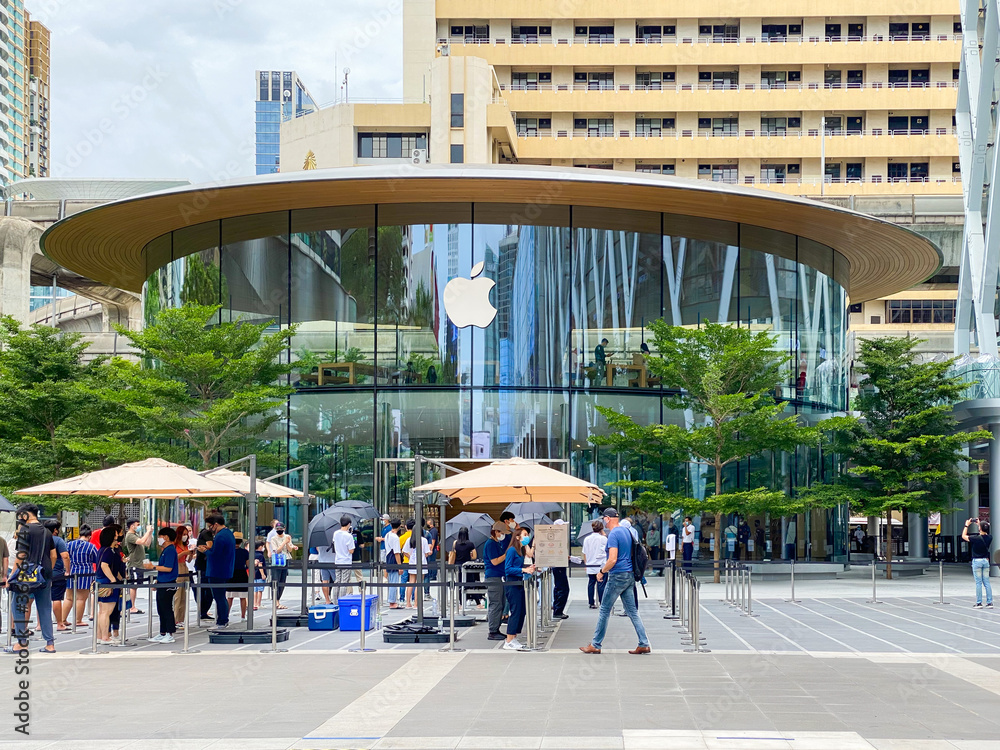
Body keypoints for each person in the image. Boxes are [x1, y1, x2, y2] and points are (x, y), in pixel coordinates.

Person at [580, 508, 651, 655]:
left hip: (617, 575)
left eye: (604, 519)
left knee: (604, 609)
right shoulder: (626, 531)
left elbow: (612, 559)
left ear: (607, 518)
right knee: (632, 611)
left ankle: (596, 644)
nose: (603, 522)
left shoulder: (613, 535)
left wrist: (601, 572)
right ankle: (643, 643)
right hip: (629, 574)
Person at [6, 504, 57, 654]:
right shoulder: (47, 532)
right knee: (45, 607)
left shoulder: (25, 530)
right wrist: (47, 570)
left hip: (26, 574)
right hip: (44, 574)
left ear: (26, 515)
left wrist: (11, 575)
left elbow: (21, 556)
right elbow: (53, 555)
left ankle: (22, 643)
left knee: (17, 605)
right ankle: (50, 643)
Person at [199, 514, 235, 629]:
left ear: (215, 524)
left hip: (217, 570)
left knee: (219, 597)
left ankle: (222, 621)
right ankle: (222, 620)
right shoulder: (229, 533)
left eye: (210, 526)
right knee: (221, 596)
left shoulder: (220, 536)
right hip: (225, 569)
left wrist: (204, 551)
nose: (210, 529)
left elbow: (215, 555)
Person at [503, 525, 536, 651]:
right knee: (516, 610)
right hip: (512, 583)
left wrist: (528, 569)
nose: (527, 537)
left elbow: (518, 566)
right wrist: (523, 569)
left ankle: (514, 636)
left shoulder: (520, 551)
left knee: (522, 610)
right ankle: (509, 639)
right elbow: (508, 569)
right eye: (525, 535)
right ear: (517, 537)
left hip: (519, 582)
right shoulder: (511, 550)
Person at [94, 525, 125, 646]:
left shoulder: (103, 549)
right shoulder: (108, 551)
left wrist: (120, 578)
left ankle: (99, 636)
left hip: (101, 581)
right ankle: (105, 637)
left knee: (102, 611)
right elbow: (104, 565)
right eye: (116, 534)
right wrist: (113, 580)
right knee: (106, 611)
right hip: (107, 583)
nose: (118, 536)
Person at [42, 520, 71, 632]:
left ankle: (40, 625)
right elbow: (65, 556)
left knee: (41, 599)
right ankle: (60, 623)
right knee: (56, 598)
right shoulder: (58, 540)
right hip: (57, 573)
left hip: (41, 572)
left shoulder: (40, 539)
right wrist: (67, 570)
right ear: (55, 530)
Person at [151, 527, 178, 643]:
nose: (159, 539)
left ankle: (169, 632)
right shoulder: (165, 550)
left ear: (166, 537)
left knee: (166, 608)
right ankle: (162, 632)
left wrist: (152, 567)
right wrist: (158, 580)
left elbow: (168, 568)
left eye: (160, 536)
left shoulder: (170, 550)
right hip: (162, 582)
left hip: (168, 583)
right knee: (161, 608)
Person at [483, 522, 510, 640]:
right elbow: (494, 561)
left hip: (498, 576)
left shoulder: (496, 543)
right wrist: (505, 555)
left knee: (501, 603)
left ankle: (496, 628)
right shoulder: (490, 544)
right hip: (493, 577)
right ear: (496, 532)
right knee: (496, 603)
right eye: (501, 532)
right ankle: (493, 630)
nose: (502, 535)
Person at [67, 525, 97, 627]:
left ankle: (62, 620)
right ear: (89, 536)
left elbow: (65, 557)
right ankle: (78, 620)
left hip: (71, 572)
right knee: (80, 599)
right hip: (86, 574)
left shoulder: (69, 544)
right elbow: (96, 559)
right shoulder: (90, 546)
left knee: (68, 598)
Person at [123, 518, 153, 614]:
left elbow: (146, 543)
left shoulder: (136, 535)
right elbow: (141, 541)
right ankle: (131, 607)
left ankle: (132, 605)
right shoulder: (130, 535)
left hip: (139, 564)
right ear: (132, 526)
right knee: (133, 586)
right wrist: (147, 531)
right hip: (134, 564)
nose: (139, 526)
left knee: (136, 585)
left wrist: (150, 533)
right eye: (137, 524)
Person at [963, 518, 993, 608]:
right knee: (987, 582)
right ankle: (989, 602)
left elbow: (964, 536)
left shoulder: (975, 538)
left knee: (978, 582)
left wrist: (966, 525)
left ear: (980, 528)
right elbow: (985, 530)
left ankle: (979, 602)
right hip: (985, 561)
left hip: (977, 561)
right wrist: (981, 525)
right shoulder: (990, 538)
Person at [449, 526, 482, 608]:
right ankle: (478, 603)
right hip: (467, 566)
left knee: (460, 584)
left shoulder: (455, 543)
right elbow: (474, 557)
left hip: (458, 567)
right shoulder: (470, 544)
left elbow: (454, 553)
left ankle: (460, 603)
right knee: (471, 584)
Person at [402, 519, 432, 608]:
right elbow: (427, 553)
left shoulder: (409, 540)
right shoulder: (423, 540)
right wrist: (425, 554)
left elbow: (404, 551)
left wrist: (410, 556)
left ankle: (408, 603)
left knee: (411, 582)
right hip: (422, 563)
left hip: (412, 563)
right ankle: (416, 603)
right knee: (419, 583)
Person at [267, 523, 297, 608]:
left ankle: (278, 600)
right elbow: (277, 550)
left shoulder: (287, 536)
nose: (279, 530)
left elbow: (290, 549)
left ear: (284, 528)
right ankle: (275, 601)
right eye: (277, 528)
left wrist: (287, 543)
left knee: (283, 580)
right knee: (276, 579)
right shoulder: (274, 538)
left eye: (281, 528)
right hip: (277, 560)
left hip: (286, 559)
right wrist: (284, 542)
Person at [172, 525, 196, 628]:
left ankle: (181, 619)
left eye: (187, 534)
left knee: (184, 596)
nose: (185, 536)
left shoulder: (185, 545)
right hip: (178, 568)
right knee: (177, 595)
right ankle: (175, 619)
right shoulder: (174, 545)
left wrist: (190, 554)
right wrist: (183, 553)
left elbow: (189, 560)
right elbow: (174, 558)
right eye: (184, 534)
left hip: (185, 567)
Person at [582, 520, 608, 609]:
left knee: (591, 583)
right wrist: (604, 534)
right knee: (601, 584)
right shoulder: (604, 539)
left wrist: (586, 564)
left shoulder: (587, 539)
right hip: (601, 565)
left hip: (590, 564)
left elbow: (584, 553)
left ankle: (591, 602)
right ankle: (602, 602)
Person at [227, 533, 250, 622]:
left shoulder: (229, 551)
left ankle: (227, 615)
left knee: (230, 597)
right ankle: (243, 616)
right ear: (241, 542)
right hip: (242, 574)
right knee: (243, 597)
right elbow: (248, 564)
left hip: (231, 574)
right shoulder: (244, 552)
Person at [332, 516, 356, 604]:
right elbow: (351, 550)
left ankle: (334, 601)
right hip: (346, 561)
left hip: (337, 560)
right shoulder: (348, 536)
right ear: (349, 524)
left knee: (337, 580)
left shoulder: (336, 533)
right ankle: (341, 600)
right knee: (344, 582)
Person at [194, 524, 215, 621]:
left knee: (206, 591)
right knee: (206, 590)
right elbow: (210, 545)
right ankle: (202, 611)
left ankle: (203, 611)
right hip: (203, 567)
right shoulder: (207, 533)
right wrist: (207, 548)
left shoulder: (205, 533)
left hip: (204, 566)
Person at [551, 519, 570, 620]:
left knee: (559, 588)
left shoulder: (560, 538)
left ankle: (557, 609)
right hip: (558, 565)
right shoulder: (556, 538)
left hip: (559, 565)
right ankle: (558, 610)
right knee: (563, 589)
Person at [385, 519, 403, 609]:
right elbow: (397, 553)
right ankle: (392, 602)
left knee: (391, 581)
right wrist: (399, 566)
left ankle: (392, 600)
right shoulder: (395, 537)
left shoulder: (388, 534)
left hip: (388, 558)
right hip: (393, 559)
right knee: (394, 582)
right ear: (399, 526)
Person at [253, 538, 267, 610]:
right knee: (260, 590)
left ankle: (254, 603)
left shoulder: (252, 554)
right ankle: (258, 604)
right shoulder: (260, 556)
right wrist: (263, 574)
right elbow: (260, 565)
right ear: (260, 547)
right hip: (259, 575)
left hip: (254, 575)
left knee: (255, 590)